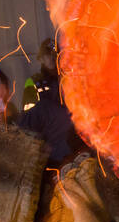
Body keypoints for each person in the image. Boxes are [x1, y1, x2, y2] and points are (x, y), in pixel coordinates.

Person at [20, 38, 83, 166]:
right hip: (51, 153)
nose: (51, 59)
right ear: (41, 58)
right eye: (47, 55)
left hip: (70, 149)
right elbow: (29, 122)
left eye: (53, 54)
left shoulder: (68, 79)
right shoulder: (34, 82)